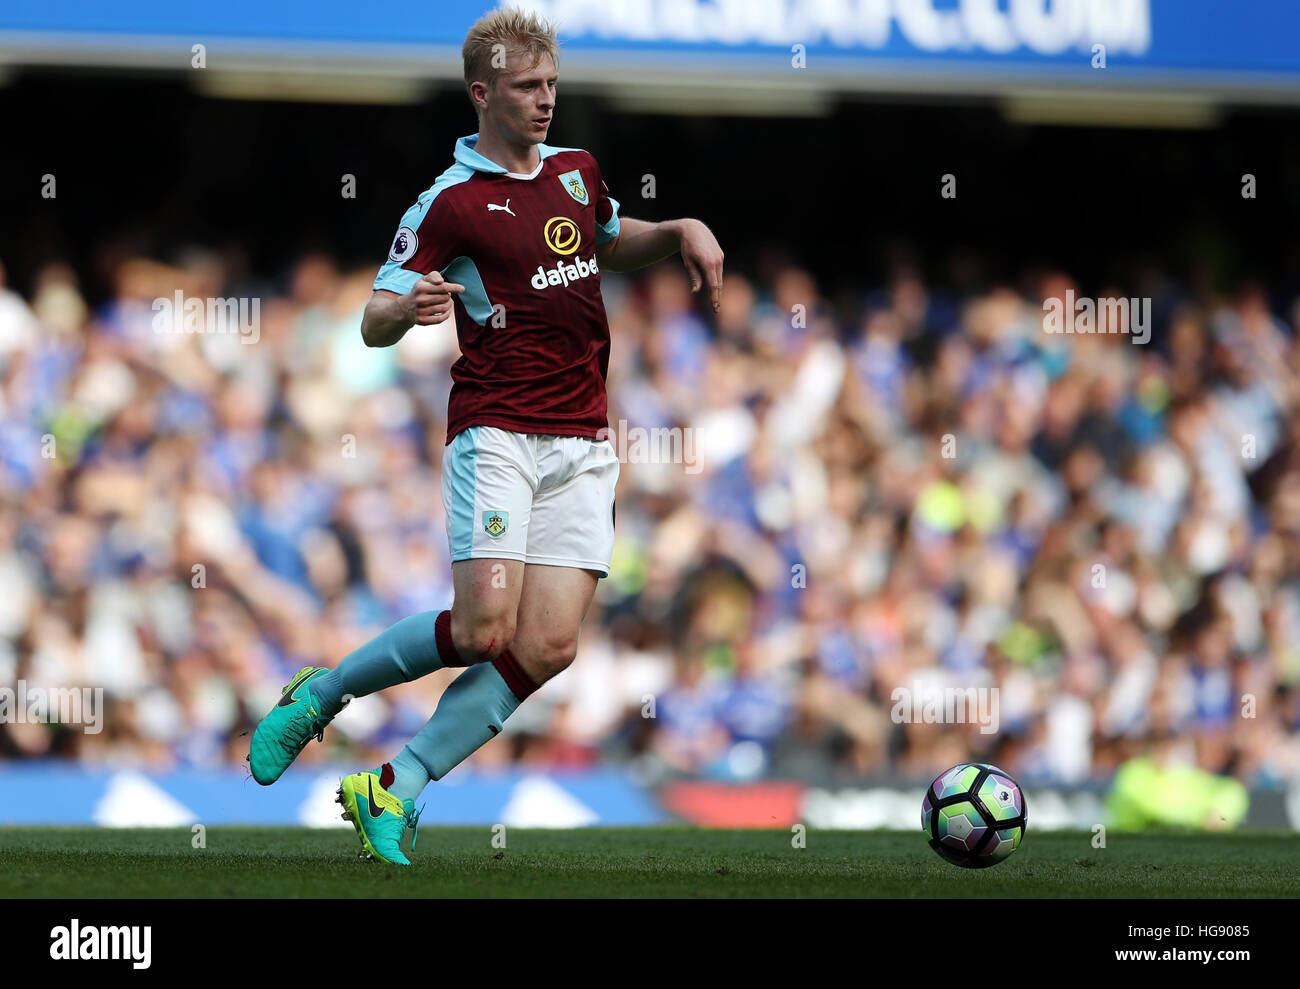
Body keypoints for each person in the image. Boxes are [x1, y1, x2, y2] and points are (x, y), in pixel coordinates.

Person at [248, 6, 724, 864]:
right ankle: (323, 694)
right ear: (482, 94)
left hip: (585, 441)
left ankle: (392, 784)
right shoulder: (451, 202)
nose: (545, 100)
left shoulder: (577, 172)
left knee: (548, 645)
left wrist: (678, 230)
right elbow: (373, 319)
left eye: (551, 84)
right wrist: (410, 308)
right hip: (497, 431)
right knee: (481, 631)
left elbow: (608, 242)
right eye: (527, 86)